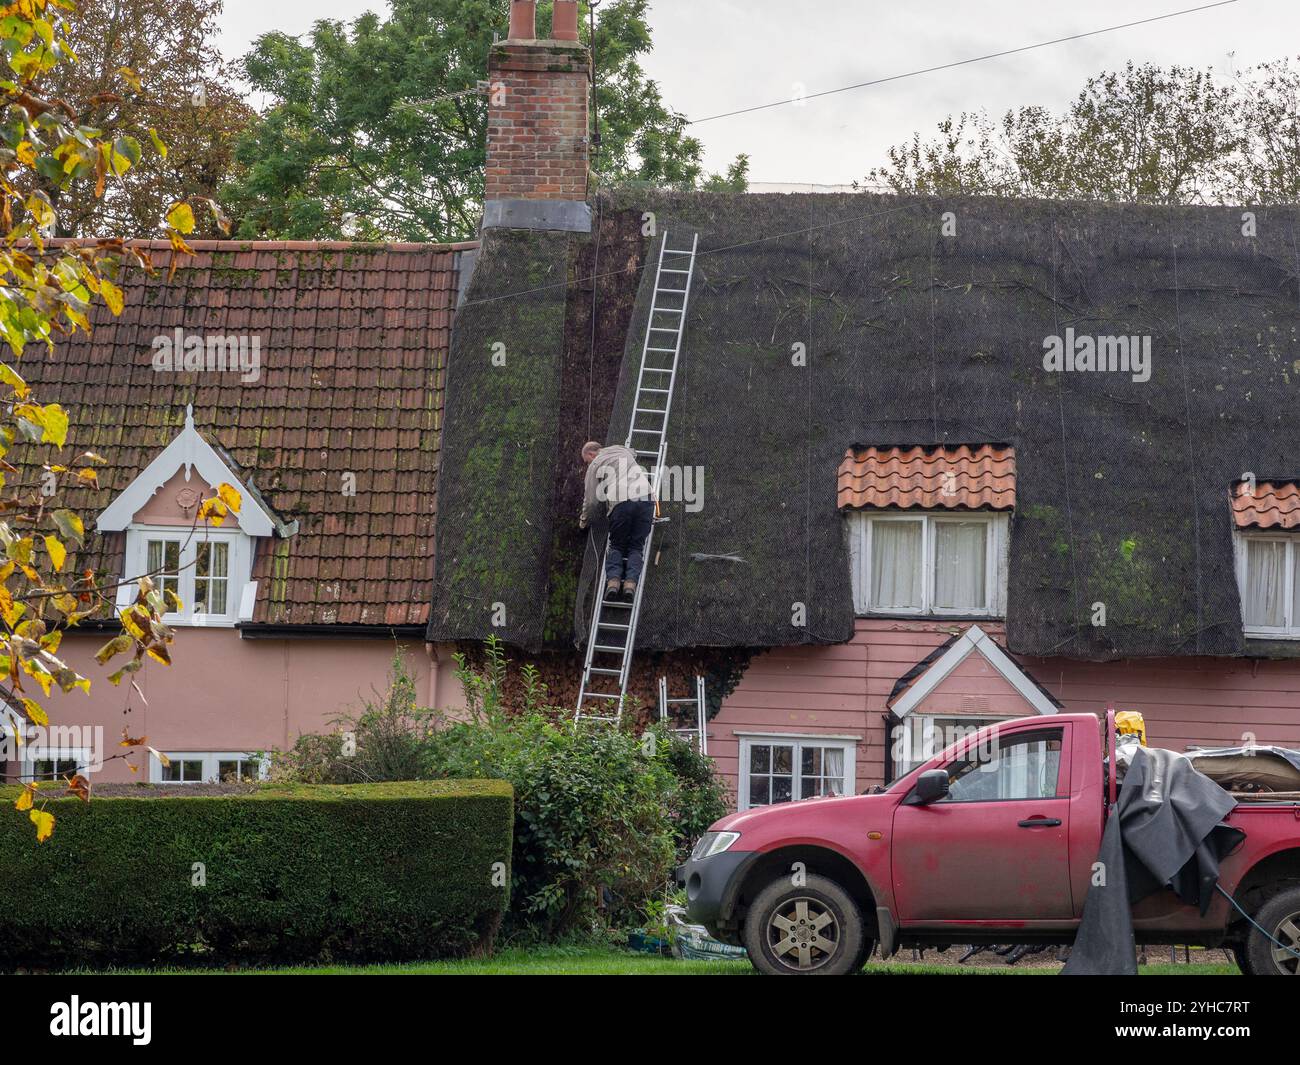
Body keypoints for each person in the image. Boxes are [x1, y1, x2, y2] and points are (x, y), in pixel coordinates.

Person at [579, 440, 654, 601]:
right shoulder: (623, 451)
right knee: (636, 546)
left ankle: (613, 583)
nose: (588, 465)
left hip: (621, 502)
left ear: (591, 454)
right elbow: (633, 452)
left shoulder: (595, 464)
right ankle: (630, 586)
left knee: (617, 545)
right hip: (646, 499)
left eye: (587, 461)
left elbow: (591, 500)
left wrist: (584, 521)